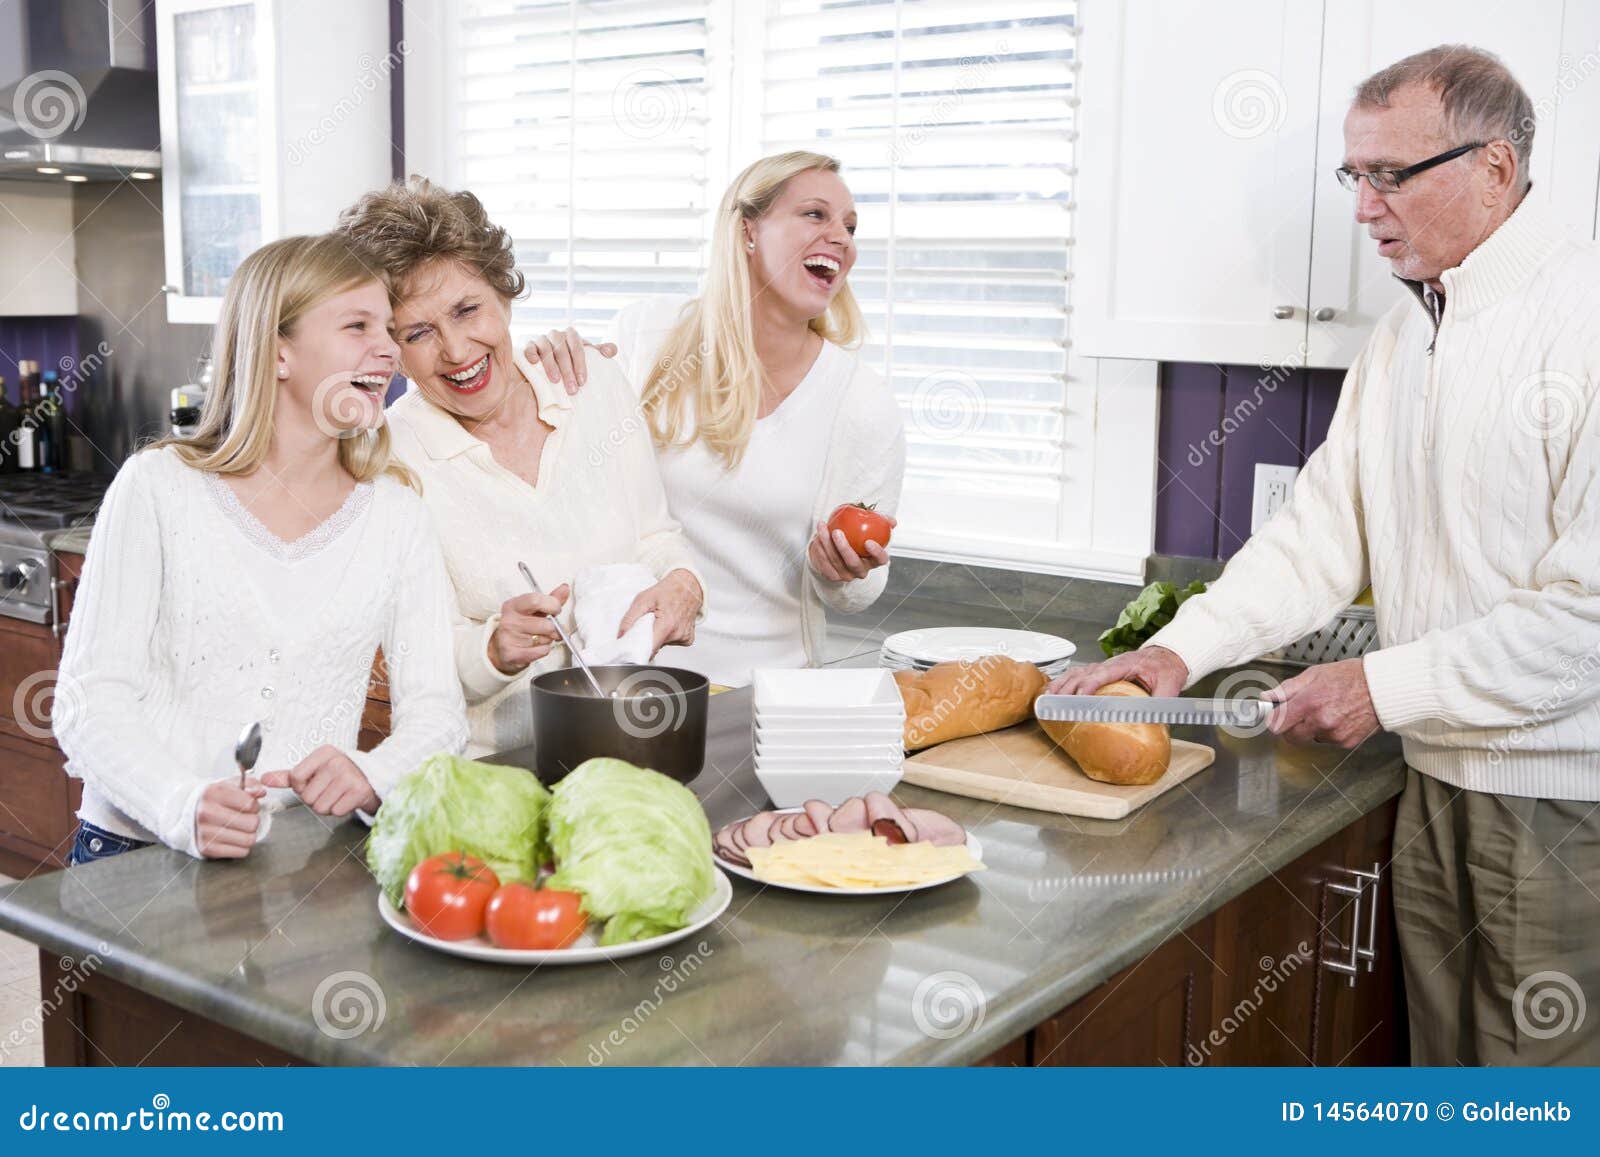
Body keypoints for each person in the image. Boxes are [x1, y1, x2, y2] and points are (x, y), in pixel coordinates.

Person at [1053, 46, 1600, 1065]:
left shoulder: (1585, 316)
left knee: (1543, 1097)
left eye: (1391, 173)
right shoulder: (1404, 336)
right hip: (1437, 772)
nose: (1365, 207)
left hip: (1563, 801)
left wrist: (1378, 685)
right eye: (1355, 176)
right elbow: (1313, 536)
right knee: (1450, 1082)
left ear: (1494, 167)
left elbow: (1586, 622)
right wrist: (1180, 650)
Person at [55, 234, 467, 863]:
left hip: (301, 861)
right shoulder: (160, 488)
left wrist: (374, 774)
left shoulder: (397, 515)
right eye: (357, 325)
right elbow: (89, 699)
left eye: (388, 327)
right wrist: (181, 805)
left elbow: (438, 714)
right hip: (133, 852)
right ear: (277, 353)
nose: (387, 349)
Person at [337, 179, 706, 755]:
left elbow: (656, 537)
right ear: (391, 348)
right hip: (497, 769)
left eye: (467, 310)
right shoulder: (385, 461)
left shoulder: (593, 384)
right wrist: (493, 650)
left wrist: (684, 584)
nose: (457, 351)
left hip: (636, 738)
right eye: (419, 333)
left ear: (504, 295)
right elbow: (415, 661)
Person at [524, 151, 907, 687]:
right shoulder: (645, 336)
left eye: (850, 226)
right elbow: (569, 467)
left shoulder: (861, 402)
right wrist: (546, 366)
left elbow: (857, 594)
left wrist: (839, 571)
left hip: (762, 692)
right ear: (747, 230)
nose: (841, 238)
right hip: (622, 674)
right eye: (816, 215)